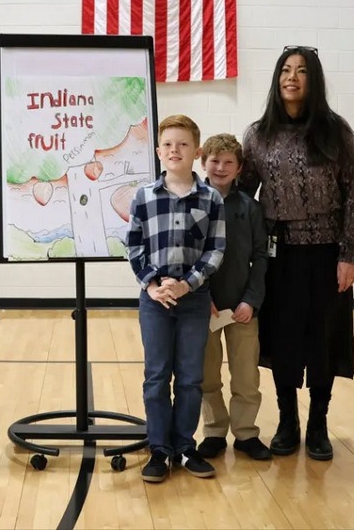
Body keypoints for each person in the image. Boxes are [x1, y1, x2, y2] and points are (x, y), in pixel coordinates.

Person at [239, 46, 354, 461]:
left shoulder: (336, 132)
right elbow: (242, 197)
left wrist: (350, 252)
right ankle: (288, 421)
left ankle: (318, 425)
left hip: (328, 253)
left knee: (323, 340)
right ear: (277, 80)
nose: (291, 77)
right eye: (285, 71)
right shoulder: (258, 135)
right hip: (280, 255)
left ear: (314, 80)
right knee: (284, 339)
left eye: (301, 71)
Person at [127, 114, 227, 482]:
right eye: (168, 144)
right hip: (154, 301)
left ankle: (184, 446)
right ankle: (158, 449)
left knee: (189, 378)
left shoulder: (211, 198)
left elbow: (215, 250)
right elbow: (134, 246)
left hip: (194, 300)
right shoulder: (144, 196)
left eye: (183, 144)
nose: (174, 150)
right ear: (157, 151)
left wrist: (188, 284)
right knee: (156, 376)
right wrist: (152, 285)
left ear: (196, 151)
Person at [197, 134, 271, 461]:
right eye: (215, 161)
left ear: (240, 168)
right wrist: (202, 297)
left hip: (242, 308)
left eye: (229, 162)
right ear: (203, 163)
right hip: (204, 307)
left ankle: (245, 434)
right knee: (207, 375)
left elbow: (261, 256)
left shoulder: (250, 208)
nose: (221, 167)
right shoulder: (192, 203)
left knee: (246, 376)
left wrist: (251, 300)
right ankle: (213, 432)